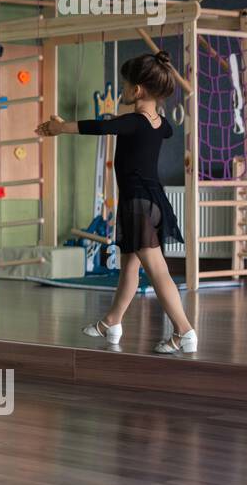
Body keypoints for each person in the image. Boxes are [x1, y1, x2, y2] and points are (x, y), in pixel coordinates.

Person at [36, 51, 198, 354]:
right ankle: (112, 321)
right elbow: (163, 128)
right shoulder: (160, 123)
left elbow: (99, 127)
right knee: (129, 268)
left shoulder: (133, 122)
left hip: (137, 204)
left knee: (158, 271)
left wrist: (60, 127)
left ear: (137, 90)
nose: (122, 90)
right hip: (155, 202)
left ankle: (184, 330)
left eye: (125, 85)